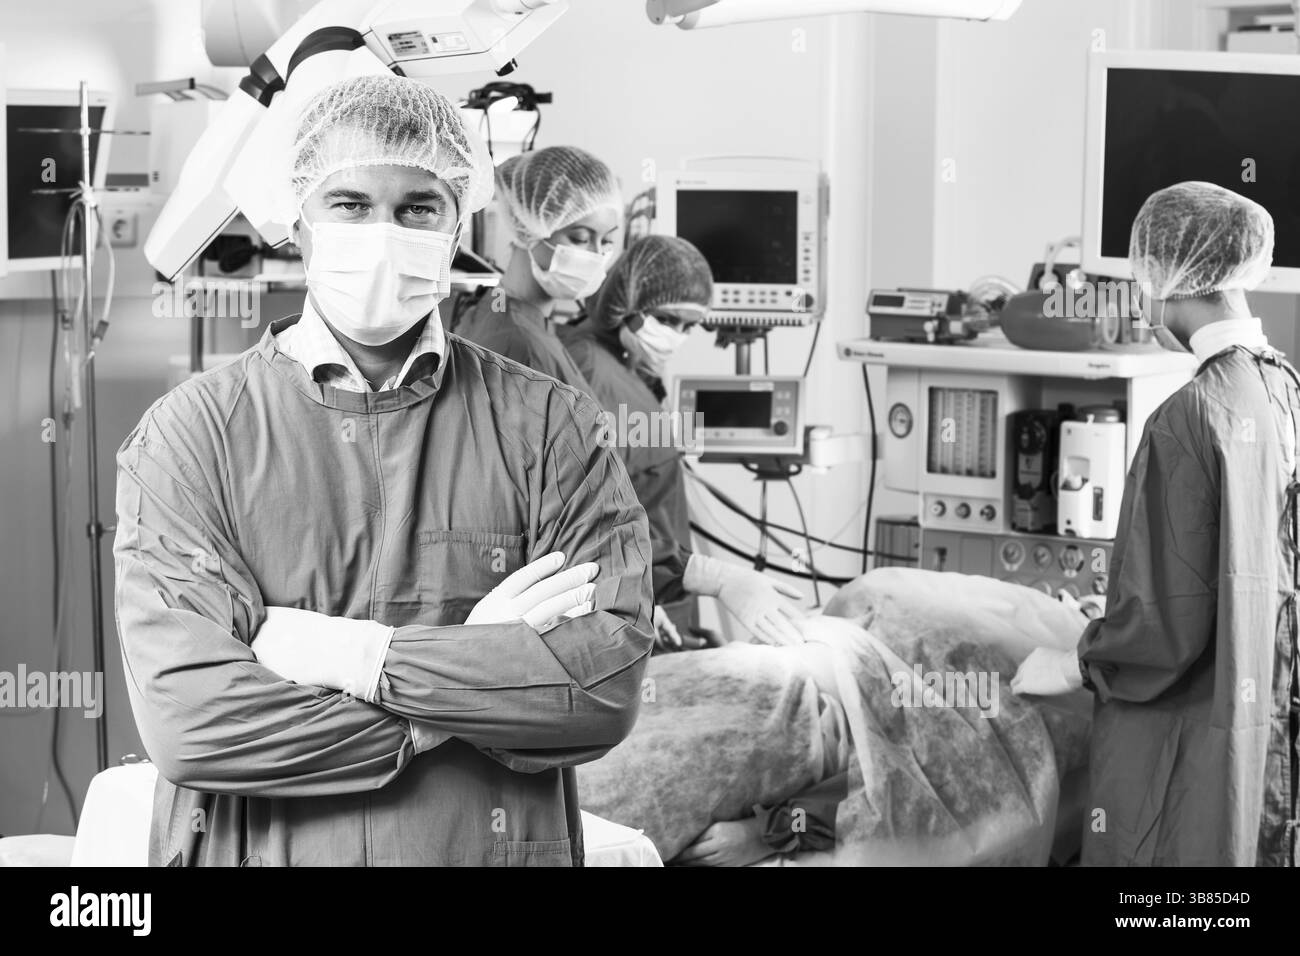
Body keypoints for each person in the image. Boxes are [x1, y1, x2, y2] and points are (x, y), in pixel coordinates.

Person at [112, 75, 655, 867]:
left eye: (418, 208)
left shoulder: (549, 426)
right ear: (298, 219)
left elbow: (596, 693)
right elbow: (192, 725)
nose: (384, 230)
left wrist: (349, 658)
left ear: (458, 219)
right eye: (350, 204)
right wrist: (472, 680)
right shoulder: (192, 436)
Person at [1012, 181, 1299, 867]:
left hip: (1191, 738)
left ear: (1167, 278)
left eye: (1140, 281)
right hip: (1260, 711)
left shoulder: (1190, 417)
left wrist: (1077, 659)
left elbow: (1164, 623)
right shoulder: (1280, 385)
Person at [560, 235, 804, 648]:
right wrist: (698, 576)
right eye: (668, 320)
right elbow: (586, 516)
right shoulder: (586, 370)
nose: (677, 336)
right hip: (628, 599)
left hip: (656, 593)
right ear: (626, 303)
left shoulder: (630, 370)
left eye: (689, 326)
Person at [452, 145, 622, 392]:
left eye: (606, 241)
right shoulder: (517, 347)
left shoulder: (508, 310)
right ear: (527, 225)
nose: (597, 255)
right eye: (581, 238)